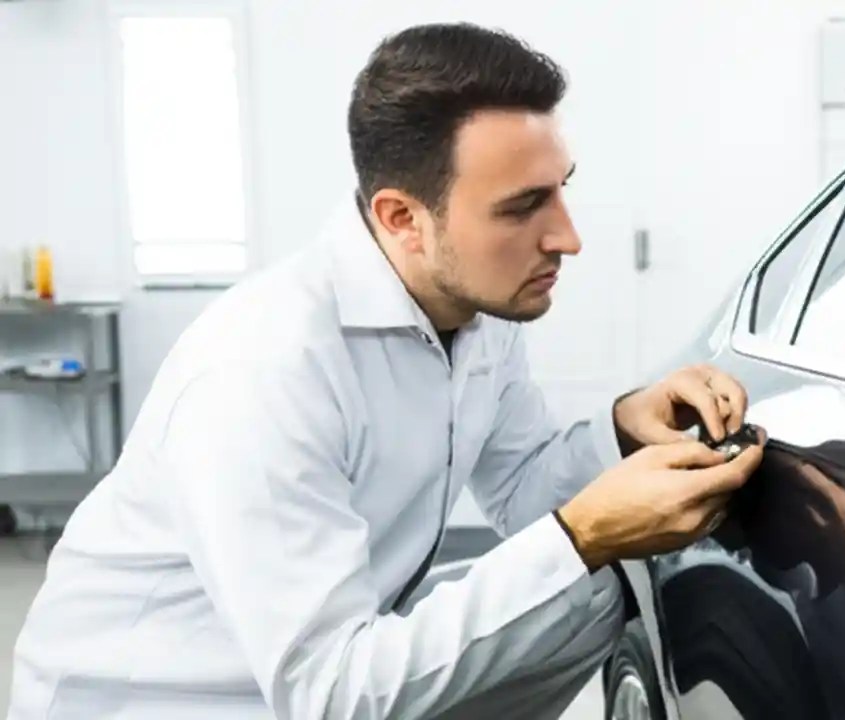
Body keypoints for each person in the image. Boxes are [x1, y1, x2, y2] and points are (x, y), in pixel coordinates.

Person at [7, 23, 763, 720]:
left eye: (563, 187)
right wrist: (586, 533)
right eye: (523, 206)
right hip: (154, 704)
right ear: (402, 218)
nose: (567, 236)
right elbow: (331, 690)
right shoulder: (265, 373)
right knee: (576, 578)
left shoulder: (478, 313)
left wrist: (624, 430)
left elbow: (522, 485)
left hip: (308, 672)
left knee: (589, 593)